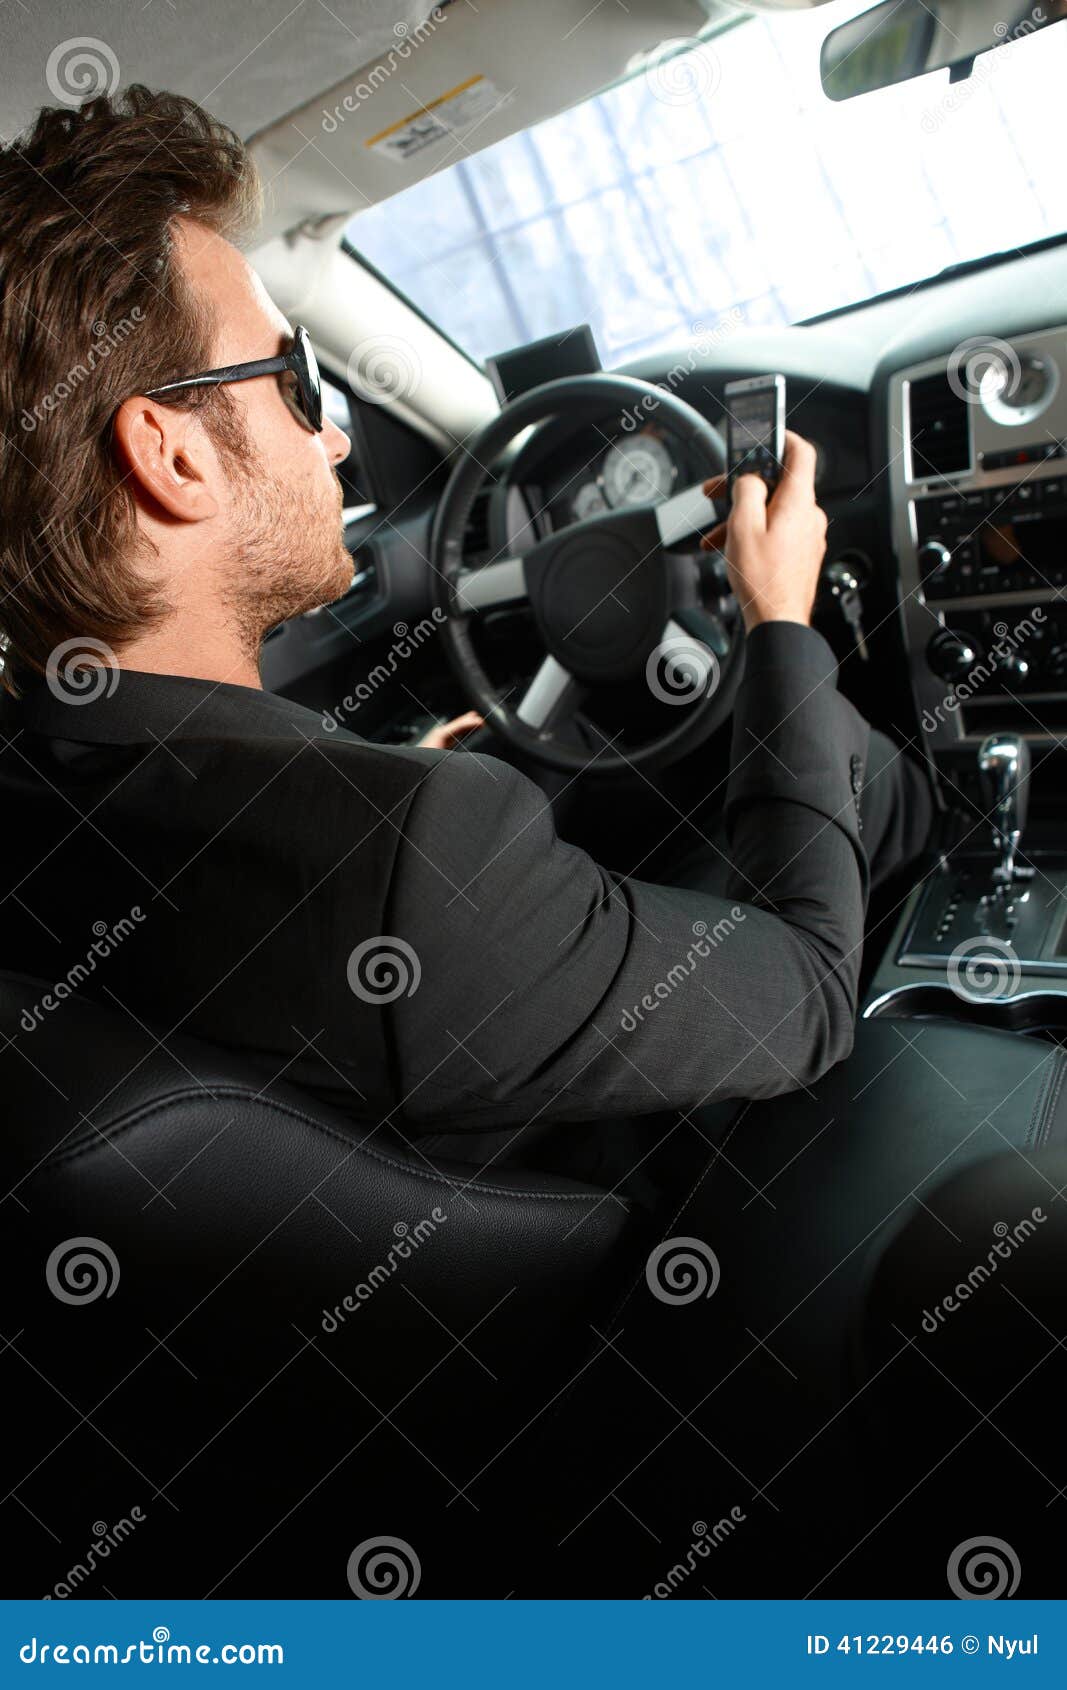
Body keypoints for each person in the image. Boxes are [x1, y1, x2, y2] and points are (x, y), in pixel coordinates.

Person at [0, 88, 932, 1173]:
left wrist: (389, 774)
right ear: (174, 459)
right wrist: (778, 622)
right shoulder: (411, 858)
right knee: (856, 774)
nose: (337, 439)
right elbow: (811, 991)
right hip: (636, 1235)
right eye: (298, 382)